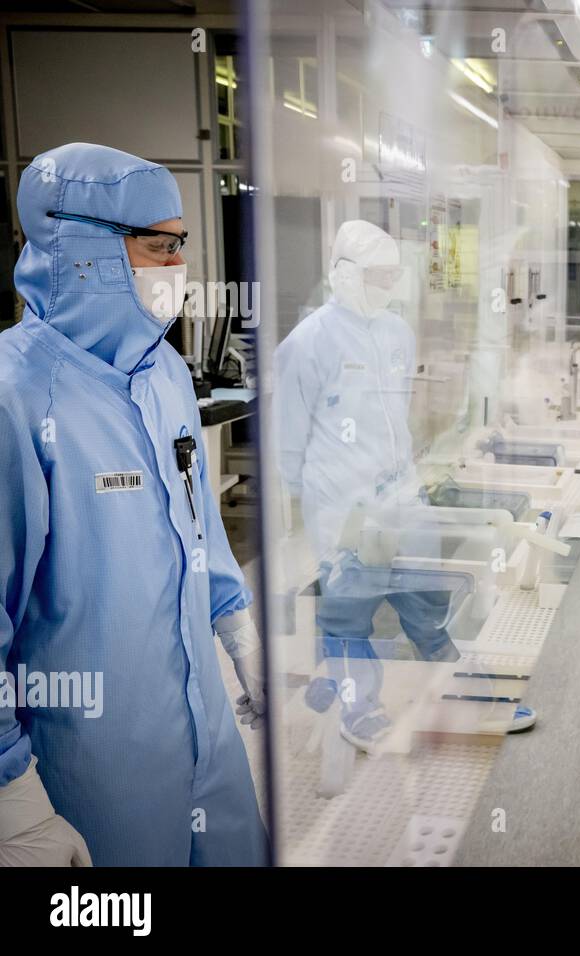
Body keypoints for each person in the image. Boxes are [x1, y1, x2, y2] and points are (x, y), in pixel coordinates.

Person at [0, 143, 268, 866]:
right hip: (91, 776)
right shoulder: (14, 397)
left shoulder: (166, 375)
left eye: (181, 246)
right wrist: (13, 805)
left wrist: (238, 630)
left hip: (204, 741)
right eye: (159, 246)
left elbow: (196, 526)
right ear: (79, 244)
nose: (177, 269)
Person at [275, 221, 535, 750]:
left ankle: (467, 692)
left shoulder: (396, 332)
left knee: (427, 597)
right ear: (343, 272)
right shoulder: (307, 344)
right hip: (343, 508)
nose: (386, 284)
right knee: (349, 611)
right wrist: (317, 518)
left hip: (403, 496)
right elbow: (287, 444)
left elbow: (397, 415)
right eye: (376, 274)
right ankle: (358, 710)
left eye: (393, 274)